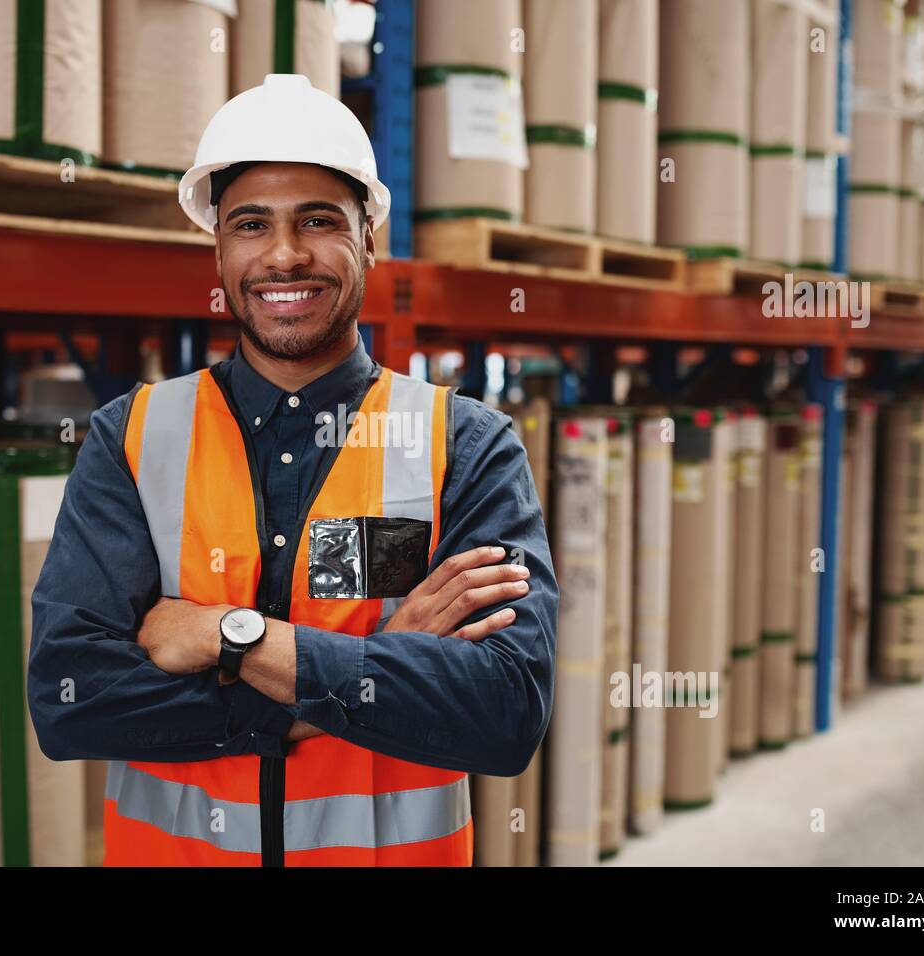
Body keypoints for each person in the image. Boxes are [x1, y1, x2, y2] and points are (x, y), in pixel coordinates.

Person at [28, 74, 558, 866]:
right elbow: (72, 702)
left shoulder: (464, 446)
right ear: (217, 248)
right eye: (250, 224)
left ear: (368, 239)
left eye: (318, 220)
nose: (283, 255)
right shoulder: (133, 437)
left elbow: (505, 710)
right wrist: (361, 678)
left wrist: (226, 636)